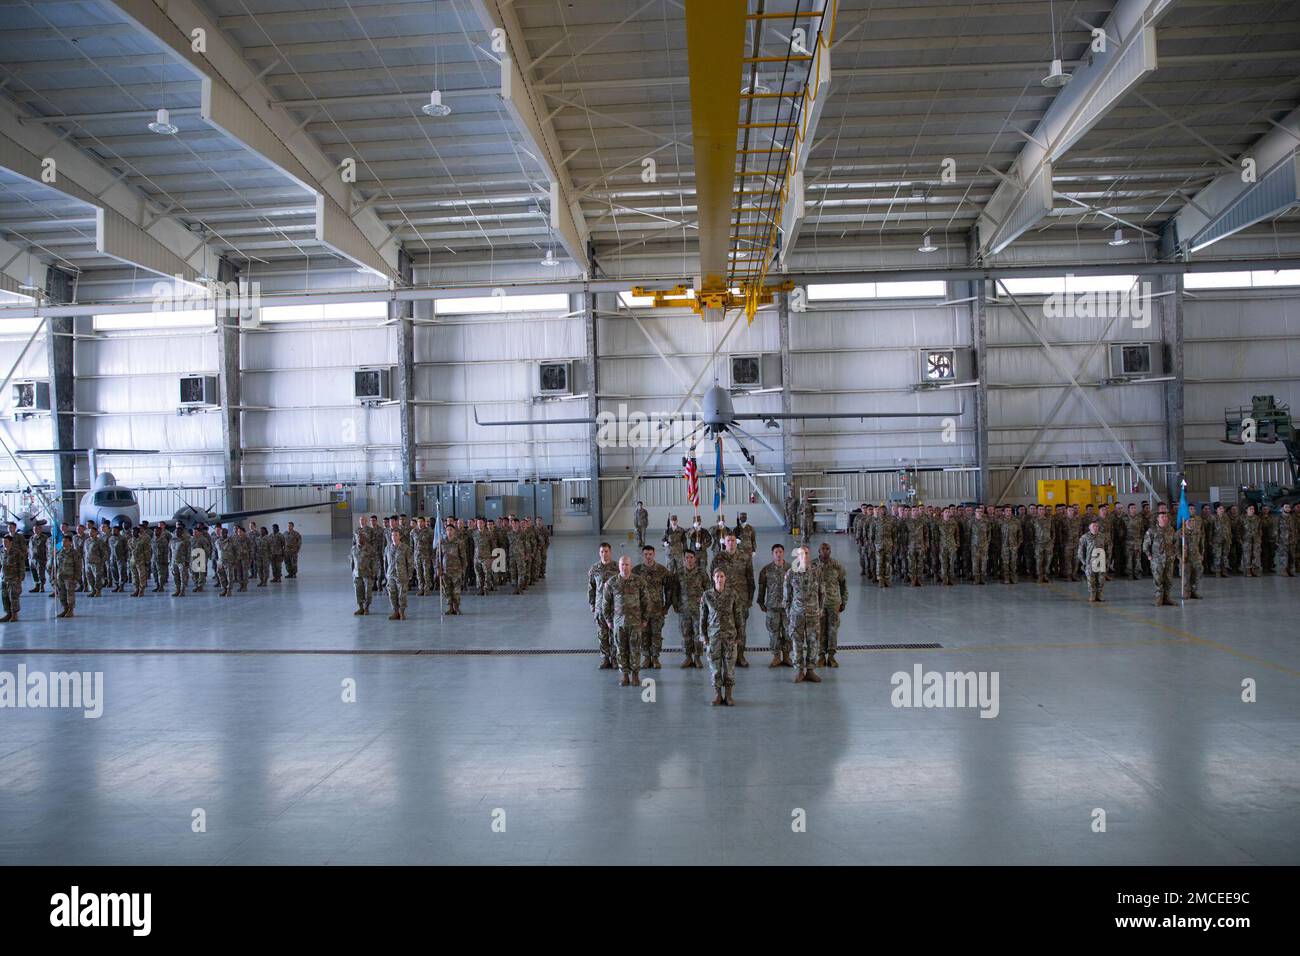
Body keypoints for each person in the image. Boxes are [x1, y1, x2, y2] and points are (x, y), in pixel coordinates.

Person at [602, 555, 647, 687]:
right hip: (619, 623)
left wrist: (644, 619)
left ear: (630, 566)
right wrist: (609, 620)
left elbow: (646, 601)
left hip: (635, 623)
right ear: (619, 566)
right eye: (622, 565)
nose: (624, 567)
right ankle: (625, 675)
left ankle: (635, 675)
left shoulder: (639, 581)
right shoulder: (612, 583)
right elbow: (606, 604)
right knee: (621, 650)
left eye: (627, 565)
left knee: (635, 649)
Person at [700, 567, 741, 706]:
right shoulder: (707, 596)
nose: (719, 579)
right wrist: (703, 636)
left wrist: (740, 634)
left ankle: (729, 696)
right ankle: (718, 695)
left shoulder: (732, 594)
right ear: (713, 578)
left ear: (725, 578)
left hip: (730, 636)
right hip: (713, 637)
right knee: (715, 668)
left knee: (729, 667)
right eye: (717, 576)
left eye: (722, 576)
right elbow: (703, 618)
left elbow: (738, 615)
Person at [784, 545, 824, 684]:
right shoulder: (791, 573)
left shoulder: (817, 572)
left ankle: (811, 670)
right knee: (797, 643)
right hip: (797, 614)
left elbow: (822, 593)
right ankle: (799, 670)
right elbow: (786, 597)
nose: (805, 556)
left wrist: (820, 609)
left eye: (807, 553)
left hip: (813, 614)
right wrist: (790, 613)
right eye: (801, 554)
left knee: (813, 642)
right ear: (797, 556)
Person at [633, 545, 673, 669]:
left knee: (656, 634)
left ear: (654, 554)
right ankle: (646, 657)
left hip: (657, 610)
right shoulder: (636, 571)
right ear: (642, 555)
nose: (648, 557)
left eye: (650, 554)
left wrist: (667, 606)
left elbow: (669, 589)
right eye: (646, 554)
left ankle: (655, 657)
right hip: (641, 611)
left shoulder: (662, 570)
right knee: (644, 634)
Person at [757, 543, 791, 668]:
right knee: (773, 632)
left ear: (783, 553)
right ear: (772, 554)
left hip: (787, 607)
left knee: (788, 632)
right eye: (776, 552)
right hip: (772, 606)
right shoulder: (766, 570)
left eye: (780, 552)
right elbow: (762, 587)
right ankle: (776, 656)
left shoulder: (790, 569)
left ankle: (787, 656)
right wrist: (760, 601)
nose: (778, 554)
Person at [674, 550, 709, 669]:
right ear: (684, 559)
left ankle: (698, 657)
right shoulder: (679, 573)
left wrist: (705, 602)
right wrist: (675, 605)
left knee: (698, 634)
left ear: (695, 559)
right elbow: (675, 591)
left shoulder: (701, 572)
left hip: (699, 610)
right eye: (687, 557)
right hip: (684, 610)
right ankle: (688, 657)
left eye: (691, 557)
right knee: (686, 634)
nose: (689, 559)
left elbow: (708, 588)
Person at [814, 542, 846, 668]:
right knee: (820, 630)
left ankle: (832, 656)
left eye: (828, 549)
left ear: (830, 551)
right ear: (818, 551)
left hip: (833, 603)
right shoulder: (813, 565)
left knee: (833, 630)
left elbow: (843, 584)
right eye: (823, 549)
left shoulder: (836, 565)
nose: (825, 551)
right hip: (818, 604)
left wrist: (843, 601)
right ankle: (821, 656)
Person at [587, 543, 619, 669]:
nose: (604, 554)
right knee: (602, 634)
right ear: (599, 553)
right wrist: (592, 604)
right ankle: (605, 658)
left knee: (614, 634)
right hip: (600, 607)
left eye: (606, 551)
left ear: (610, 552)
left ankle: (615, 658)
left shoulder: (617, 567)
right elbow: (591, 588)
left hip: (614, 607)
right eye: (601, 551)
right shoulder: (594, 568)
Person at [1143, 512, 1178, 607]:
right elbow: (1145, 545)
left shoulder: (1171, 530)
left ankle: (1167, 598)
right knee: (1158, 579)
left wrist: (1174, 554)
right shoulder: (1152, 530)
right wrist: (1149, 555)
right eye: (1162, 517)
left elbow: (1175, 543)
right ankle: (1159, 598)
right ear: (1158, 519)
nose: (1164, 518)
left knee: (1168, 579)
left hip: (1169, 559)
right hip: (1157, 560)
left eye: (1166, 516)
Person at [384, 529, 411, 620]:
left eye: (396, 535)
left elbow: (410, 562)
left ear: (399, 536)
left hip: (402, 575)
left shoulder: (405, 548)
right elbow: (385, 563)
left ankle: (402, 612)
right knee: (392, 594)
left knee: (402, 595)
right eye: (392, 535)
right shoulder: (388, 548)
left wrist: (409, 574)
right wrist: (386, 574)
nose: (394, 537)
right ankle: (395, 611)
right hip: (391, 574)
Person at [1077, 519, 1106, 603]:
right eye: (1093, 526)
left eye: (1097, 526)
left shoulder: (1103, 536)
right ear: (1090, 528)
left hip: (1101, 562)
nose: (1095, 528)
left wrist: (1107, 560)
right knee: (1091, 579)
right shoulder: (1084, 537)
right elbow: (1080, 551)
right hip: (1089, 562)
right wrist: (1084, 562)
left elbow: (1108, 548)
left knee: (1101, 579)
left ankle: (1099, 594)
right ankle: (1092, 594)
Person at [439, 524, 464, 614]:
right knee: (447, 590)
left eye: (451, 529)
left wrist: (463, 568)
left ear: (454, 531)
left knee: (456, 590)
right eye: (447, 530)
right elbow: (438, 557)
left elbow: (463, 556)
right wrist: (438, 568)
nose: (449, 531)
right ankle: (450, 607)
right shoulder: (442, 542)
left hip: (456, 570)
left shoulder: (459, 542)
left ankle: (456, 607)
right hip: (445, 571)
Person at [54, 534, 81, 618]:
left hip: (70, 577)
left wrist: (76, 577)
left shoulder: (74, 553)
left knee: (70, 595)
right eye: (63, 541)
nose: (63, 543)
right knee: (62, 594)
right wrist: (54, 577)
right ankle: (65, 609)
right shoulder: (59, 552)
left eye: (65, 541)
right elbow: (56, 566)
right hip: (60, 576)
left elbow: (78, 566)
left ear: (70, 542)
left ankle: (70, 610)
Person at [0, 534, 23, 622]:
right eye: (3, 542)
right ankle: (8, 613)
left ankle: (14, 615)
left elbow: (21, 566)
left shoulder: (16, 552)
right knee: (4, 597)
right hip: (4, 578)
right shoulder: (2, 552)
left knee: (13, 597)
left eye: (6, 542)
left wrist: (20, 579)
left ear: (11, 542)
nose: (4, 543)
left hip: (14, 578)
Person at [131, 526, 152, 597]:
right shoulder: (130, 541)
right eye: (132, 531)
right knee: (134, 576)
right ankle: (136, 589)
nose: (133, 533)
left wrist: (147, 560)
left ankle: (141, 590)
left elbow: (147, 551)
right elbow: (130, 551)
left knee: (142, 576)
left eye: (135, 531)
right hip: (133, 561)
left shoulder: (143, 540)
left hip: (141, 561)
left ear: (138, 532)